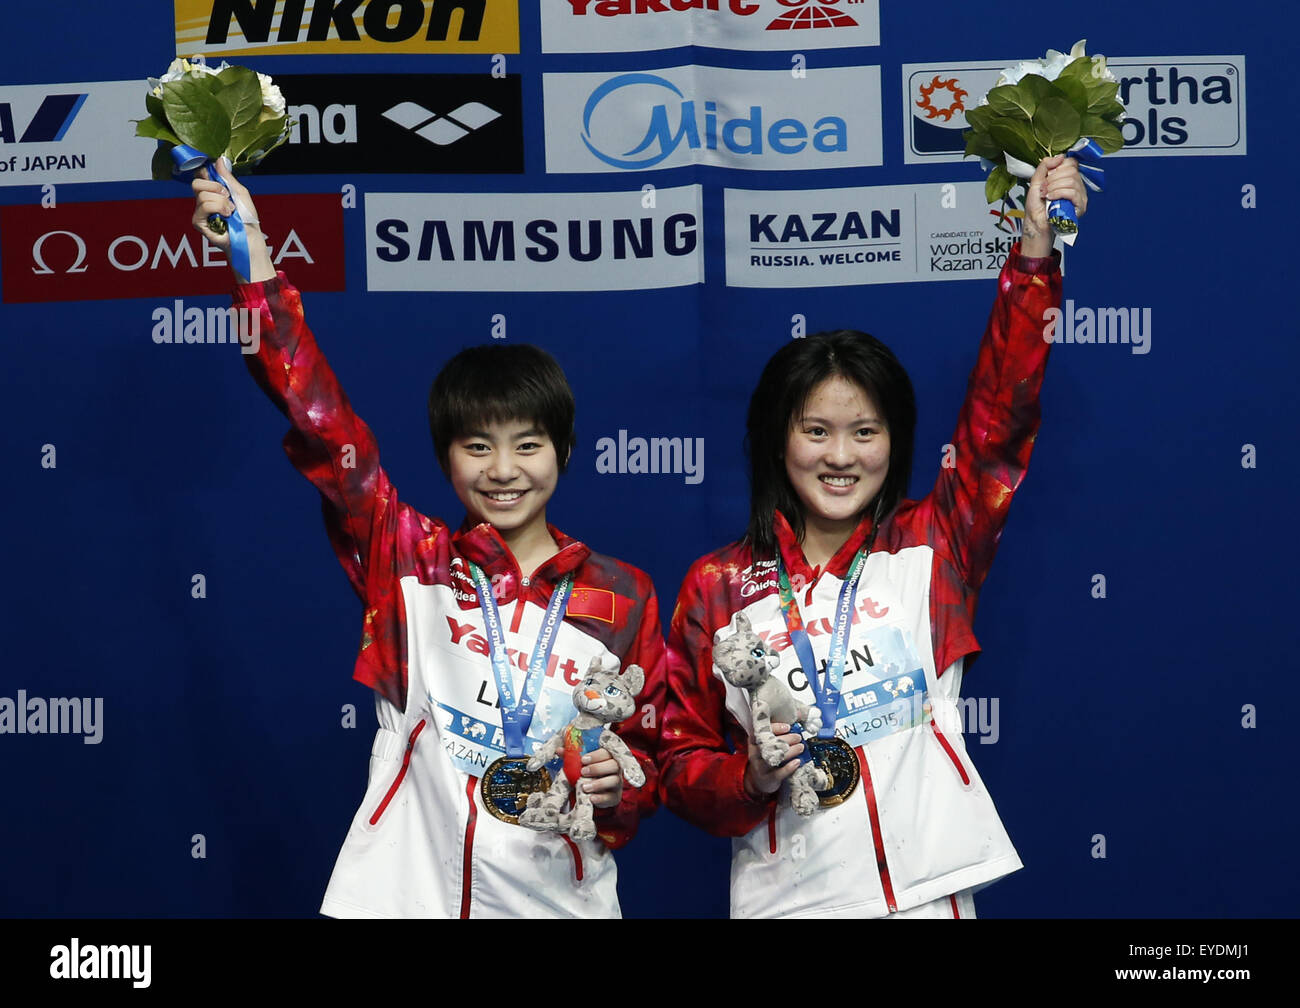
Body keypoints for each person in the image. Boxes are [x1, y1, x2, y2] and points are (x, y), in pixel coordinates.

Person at [189, 161, 666, 918]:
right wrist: (254, 262)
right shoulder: (409, 557)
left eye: (528, 445)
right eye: (477, 447)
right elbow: (320, 420)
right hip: (401, 897)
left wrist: (618, 786)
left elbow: (647, 779)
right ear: (446, 457)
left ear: (566, 452)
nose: (503, 470)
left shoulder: (623, 594)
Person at [659, 154, 1085, 918]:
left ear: (896, 439)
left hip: (925, 894)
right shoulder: (716, 586)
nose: (842, 456)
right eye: (816, 430)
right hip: (785, 902)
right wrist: (751, 777)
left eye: (866, 430)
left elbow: (1001, 420)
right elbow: (680, 767)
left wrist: (1034, 254)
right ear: (775, 440)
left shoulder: (935, 544)